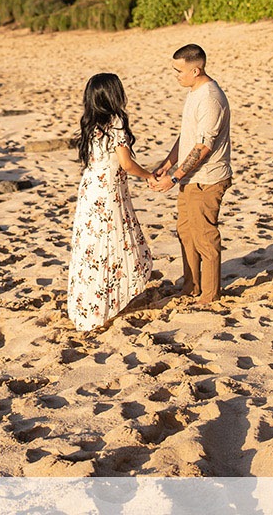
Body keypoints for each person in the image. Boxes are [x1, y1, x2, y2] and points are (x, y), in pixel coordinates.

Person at [67, 72, 160, 332]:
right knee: (111, 241)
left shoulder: (90, 121)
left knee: (92, 245)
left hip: (90, 189)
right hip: (108, 190)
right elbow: (127, 163)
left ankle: (90, 306)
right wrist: (149, 175)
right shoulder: (116, 121)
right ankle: (107, 303)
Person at [149, 43, 232, 304]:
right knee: (186, 232)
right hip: (190, 178)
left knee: (205, 236)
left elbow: (203, 146)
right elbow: (187, 136)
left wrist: (173, 178)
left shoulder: (210, 98)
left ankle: (210, 294)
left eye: (179, 71)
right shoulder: (194, 91)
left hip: (207, 179)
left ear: (196, 70)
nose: (176, 75)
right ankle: (191, 286)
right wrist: (168, 163)